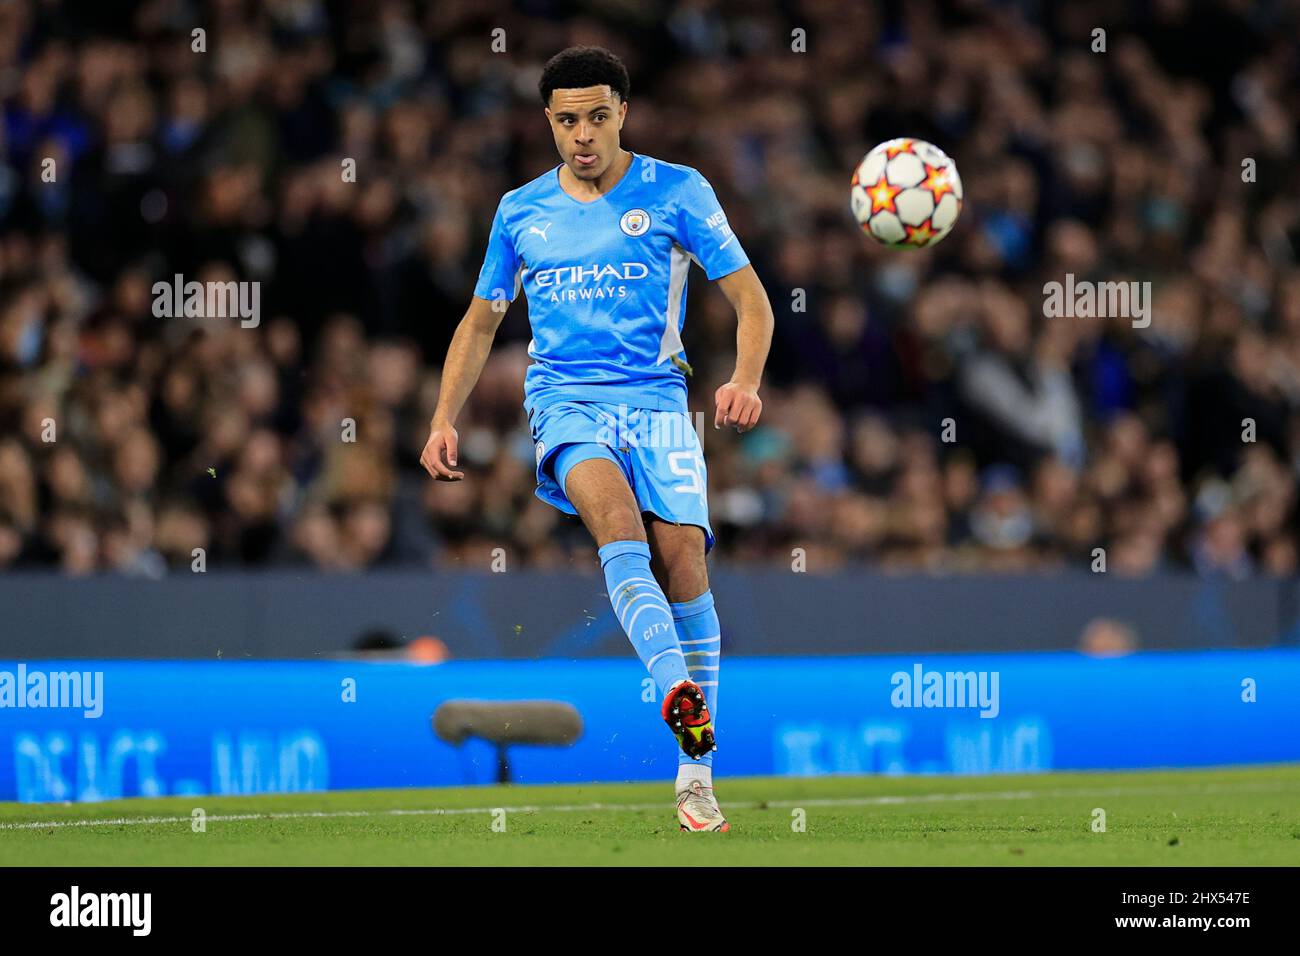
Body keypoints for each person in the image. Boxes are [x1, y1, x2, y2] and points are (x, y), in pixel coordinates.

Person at [419, 46, 773, 832]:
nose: (583, 134)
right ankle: (676, 693)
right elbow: (481, 322)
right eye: (567, 120)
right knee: (616, 523)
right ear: (549, 121)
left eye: (598, 116)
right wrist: (444, 416)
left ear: (623, 114)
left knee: (682, 555)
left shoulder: (679, 191)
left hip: (658, 401)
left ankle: (696, 773)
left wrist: (744, 381)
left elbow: (751, 300)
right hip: (566, 401)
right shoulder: (520, 211)